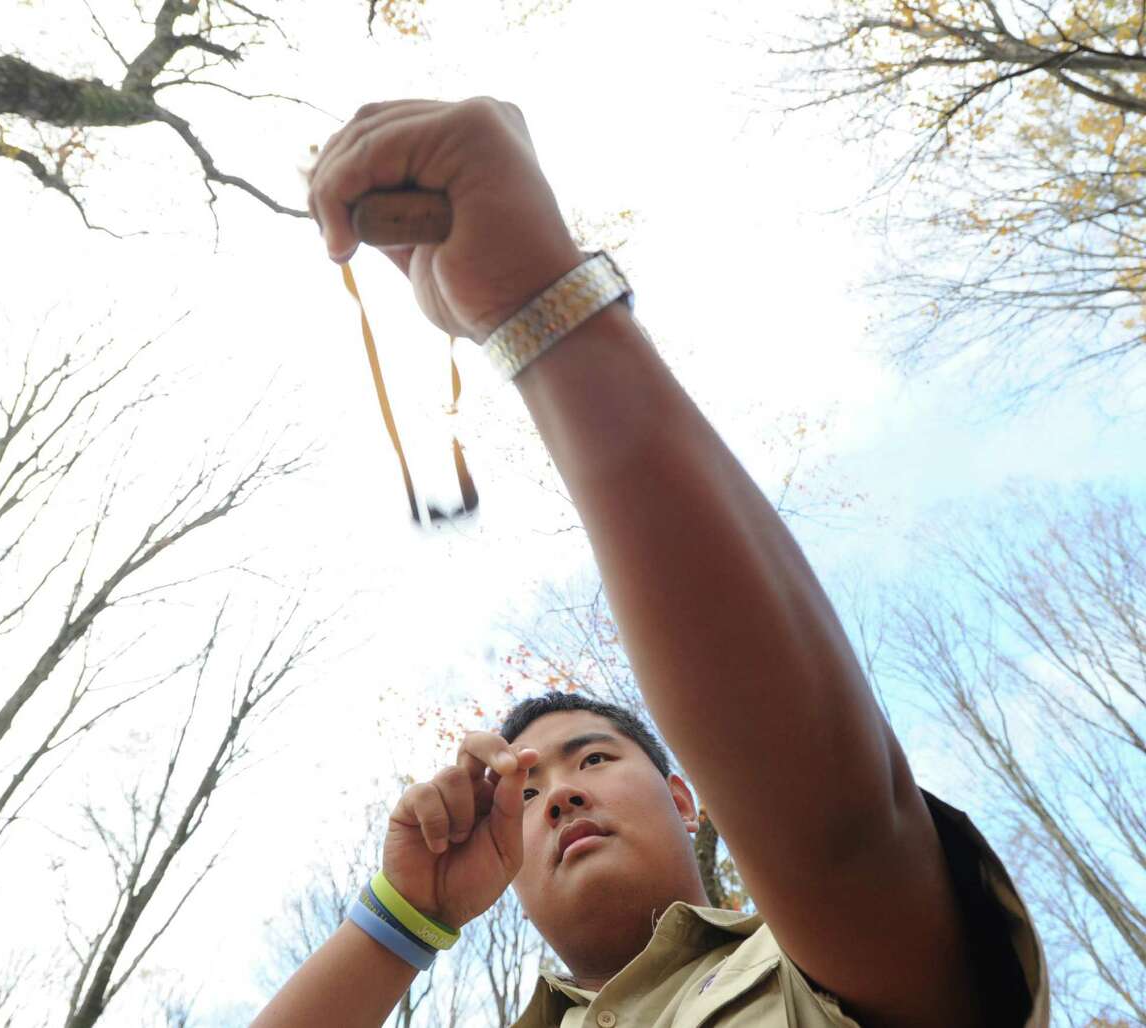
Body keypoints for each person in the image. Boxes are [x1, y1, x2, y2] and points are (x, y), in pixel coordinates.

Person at [254, 96, 1049, 1027]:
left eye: (590, 756)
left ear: (685, 798)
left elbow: (839, 829)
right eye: (528, 790)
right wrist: (403, 922)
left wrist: (539, 303)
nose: (558, 797)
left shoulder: (819, 961)